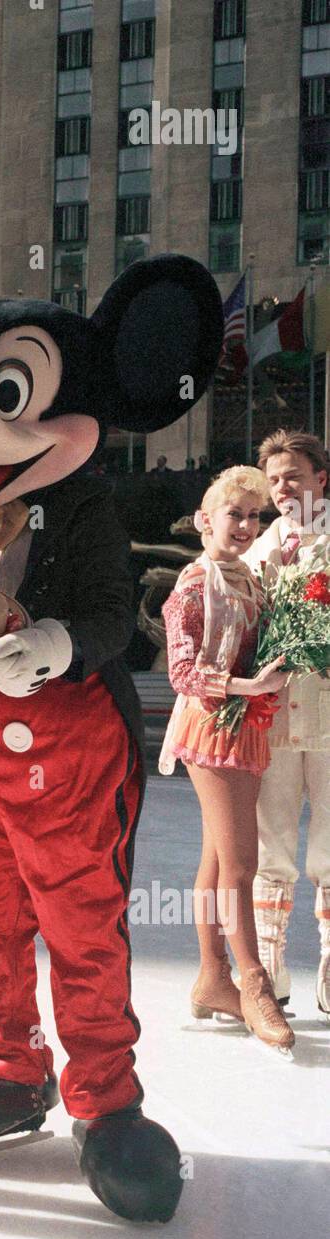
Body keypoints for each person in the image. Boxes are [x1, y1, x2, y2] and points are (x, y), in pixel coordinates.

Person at [0, 254, 224, 1223]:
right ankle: (10, 1068)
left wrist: (50, 645)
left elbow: (100, 614)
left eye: (3, 393)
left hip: (71, 749)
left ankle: (103, 1100)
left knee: (81, 929)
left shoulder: (81, 503)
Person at [160, 466, 293, 1054]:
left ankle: (212, 977)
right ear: (203, 520)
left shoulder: (251, 581)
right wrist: (248, 687)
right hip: (214, 725)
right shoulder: (194, 585)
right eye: (233, 514)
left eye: (253, 516)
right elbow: (183, 673)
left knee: (218, 859)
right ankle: (253, 981)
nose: (244, 525)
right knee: (242, 861)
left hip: (246, 726)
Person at [245, 430, 330, 1020]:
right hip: (274, 718)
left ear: (321, 478)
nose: (283, 488)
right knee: (270, 846)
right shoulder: (257, 545)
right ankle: (269, 966)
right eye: (274, 479)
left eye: (294, 476)